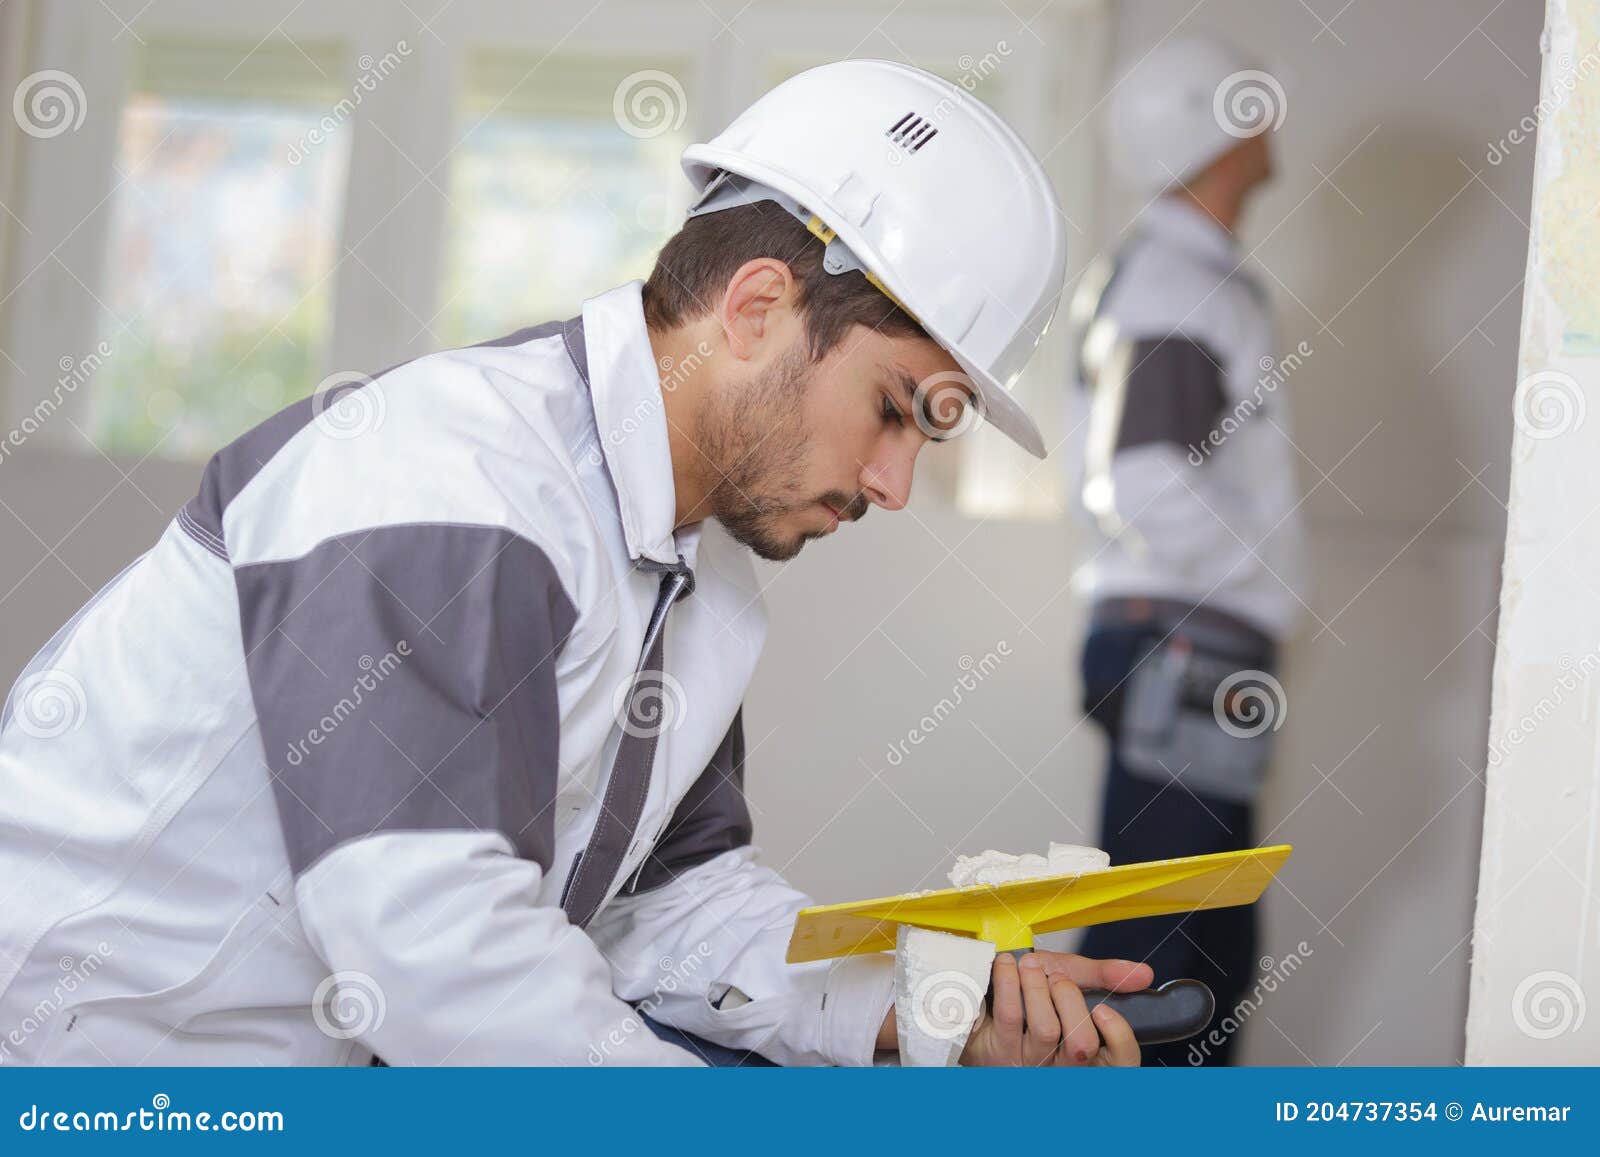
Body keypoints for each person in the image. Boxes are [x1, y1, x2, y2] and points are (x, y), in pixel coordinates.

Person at [0, 60, 1152, 1067]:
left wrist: (930, 1008)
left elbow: (662, 905)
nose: (896, 484)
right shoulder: (449, 476)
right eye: (897, 410)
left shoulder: (690, 574)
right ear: (757, 308)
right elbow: (431, 943)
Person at [1068, 35, 1308, 1066]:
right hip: (1187, 650)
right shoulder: (1176, 282)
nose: (1270, 120)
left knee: (1191, 954)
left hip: (1188, 650)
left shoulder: (1183, 272)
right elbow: (1147, 478)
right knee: (1161, 970)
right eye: (1251, 105)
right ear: (1218, 129)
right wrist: (1256, 584)